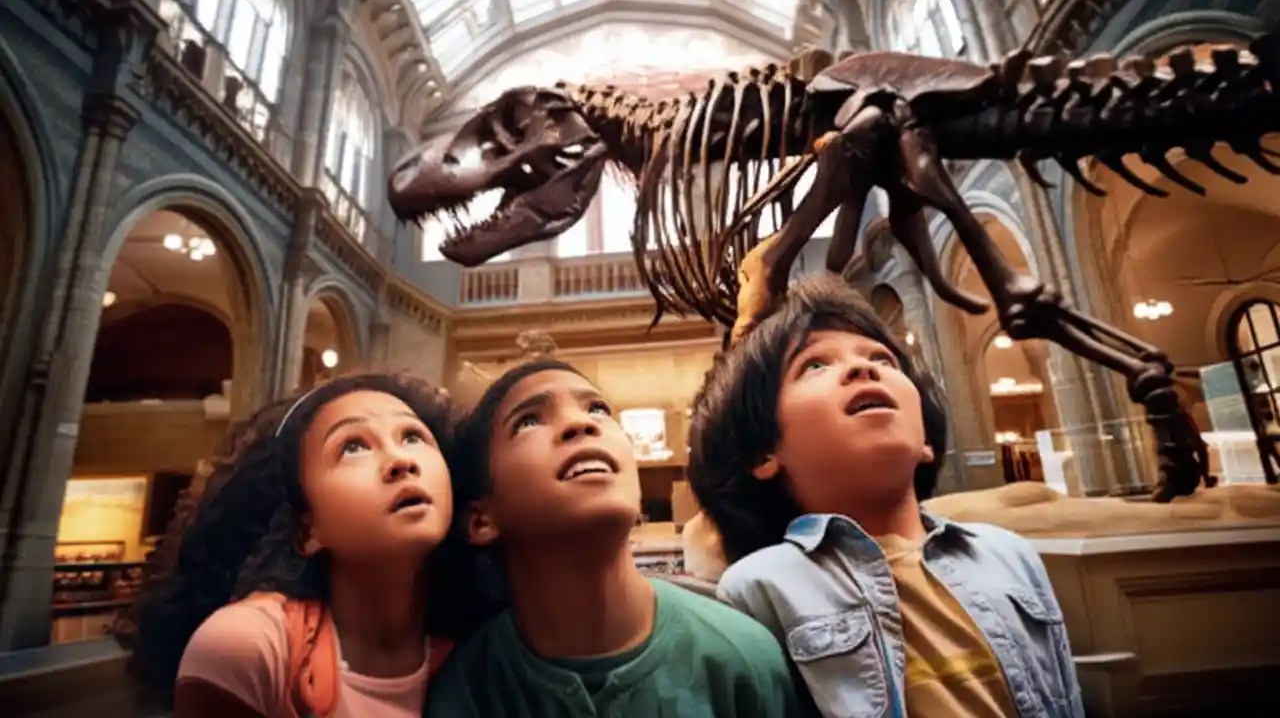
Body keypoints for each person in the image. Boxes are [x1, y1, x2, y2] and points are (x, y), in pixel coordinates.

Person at [687, 275, 1084, 718]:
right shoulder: (757, 587)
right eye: (813, 366)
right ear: (763, 451)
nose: (864, 368)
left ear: (926, 441)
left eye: (884, 359)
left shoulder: (1009, 553)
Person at [424, 360, 801, 717]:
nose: (581, 424)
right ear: (480, 519)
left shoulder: (742, 657)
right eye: (527, 421)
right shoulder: (469, 692)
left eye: (598, 409)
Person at [125, 373, 468, 718]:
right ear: (307, 532)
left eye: (412, 436)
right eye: (352, 447)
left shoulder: (480, 650)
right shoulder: (248, 647)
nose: (401, 462)